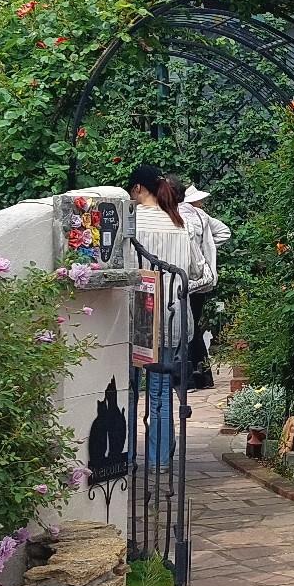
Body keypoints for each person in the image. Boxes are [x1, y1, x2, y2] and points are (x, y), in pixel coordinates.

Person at [127, 166, 207, 469]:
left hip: (139, 315)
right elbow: (199, 273)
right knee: (160, 393)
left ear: (137, 189)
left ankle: (128, 457)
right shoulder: (179, 222)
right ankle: (159, 461)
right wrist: (178, 289)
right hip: (173, 317)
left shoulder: (132, 225)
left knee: (131, 391)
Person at [173, 180, 225, 389]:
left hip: (187, 279)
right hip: (202, 279)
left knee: (188, 328)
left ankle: (192, 378)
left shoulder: (179, 215)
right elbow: (224, 232)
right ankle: (203, 376)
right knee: (194, 326)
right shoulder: (202, 217)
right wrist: (208, 252)